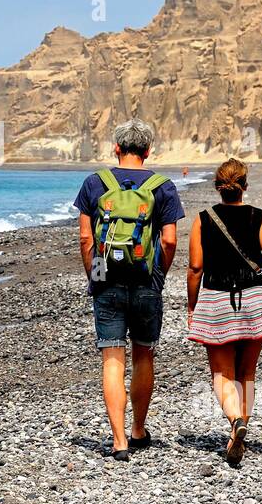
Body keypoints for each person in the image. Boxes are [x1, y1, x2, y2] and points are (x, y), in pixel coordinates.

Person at [75, 119, 185, 460]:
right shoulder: (162, 186)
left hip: (106, 279)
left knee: (112, 359)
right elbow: (168, 240)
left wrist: (95, 274)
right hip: (146, 281)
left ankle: (119, 441)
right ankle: (138, 429)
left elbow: (84, 238)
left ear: (116, 148)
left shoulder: (95, 183)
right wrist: (158, 277)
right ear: (148, 150)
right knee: (143, 355)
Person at [186, 158, 262, 467]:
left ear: (218, 186)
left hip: (216, 301)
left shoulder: (203, 219)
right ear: (245, 186)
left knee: (221, 374)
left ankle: (235, 420)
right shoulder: (259, 216)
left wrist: (191, 305)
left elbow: (196, 268)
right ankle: (237, 432)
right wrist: (259, 275)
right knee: (247, 374)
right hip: (253, 300)